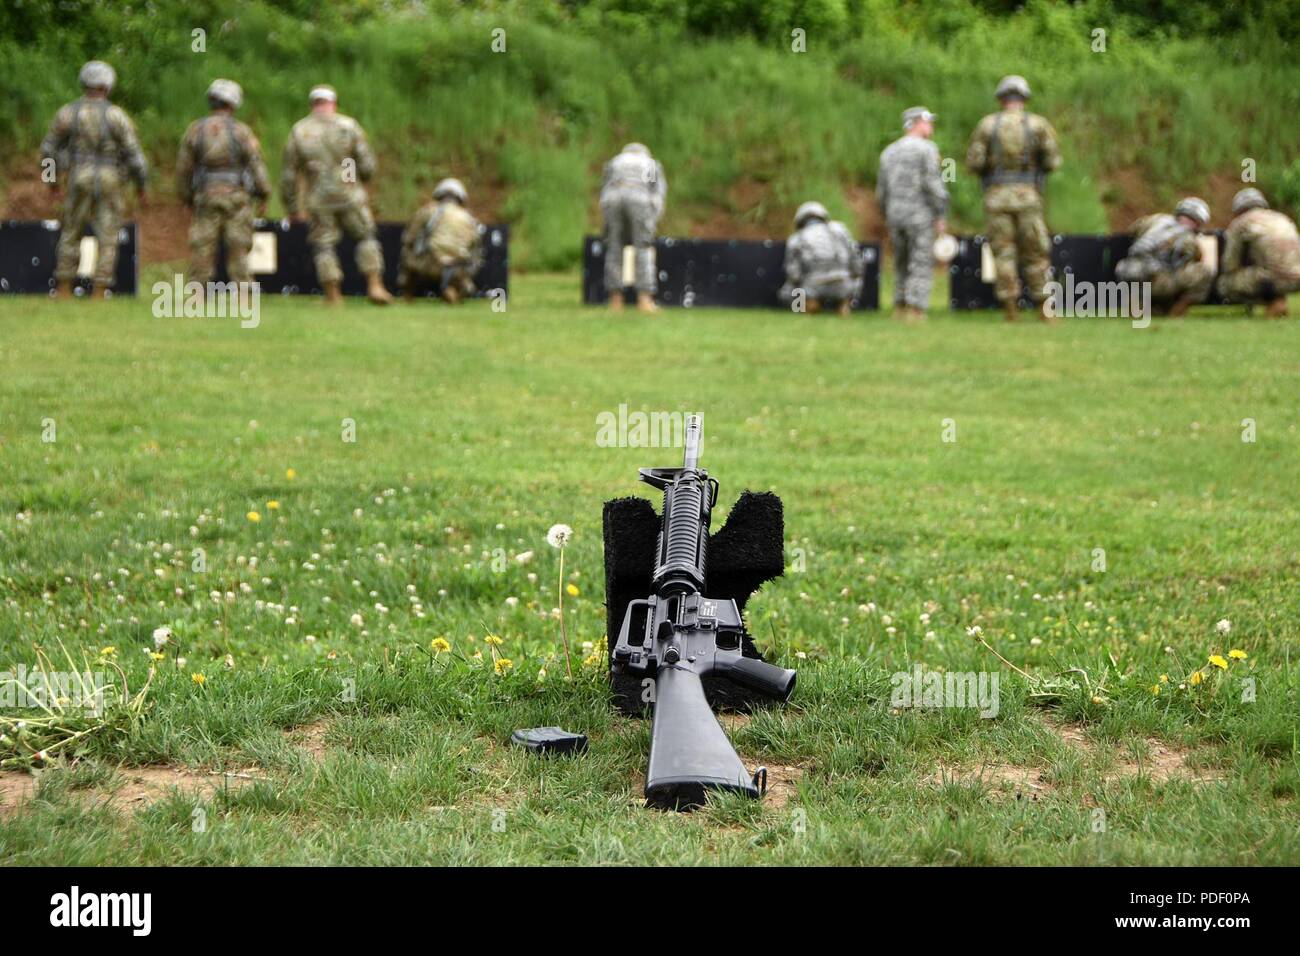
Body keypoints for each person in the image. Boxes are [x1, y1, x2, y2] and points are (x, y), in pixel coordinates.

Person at [39, 60, 148, 299]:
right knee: (108, 234)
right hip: (110, 178)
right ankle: (100, 289)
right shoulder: (116, 116)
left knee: (71, 230)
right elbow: (134, 154)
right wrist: (141, 184)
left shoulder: (68, 113)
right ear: (107, 86)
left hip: (78, 175)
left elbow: (48, 149)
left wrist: (52, 180)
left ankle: (64, 287)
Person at [280, 85, 392, 305]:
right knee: (365, 237)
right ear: (333, 103)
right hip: (350, 194)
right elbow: (366, 164)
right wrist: (352, 176)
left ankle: (333, 295)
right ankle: (375, 285)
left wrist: (292, 207)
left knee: (324, 244)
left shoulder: (300, 131)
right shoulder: (348, 126)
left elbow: (289, 175)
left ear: (313, 105)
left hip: (318, 198)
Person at [965, 75, 1062, 322]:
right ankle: (1044, 307)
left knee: (1003, 252)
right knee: (1036, 252)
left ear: (1001, 99)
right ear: (1024, 98)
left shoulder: (987, 125)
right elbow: (1053, 161)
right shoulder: (1039, 125)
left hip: (996, 198)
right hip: (1028, 196)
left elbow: (974, 163)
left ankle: (1010, 306)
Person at [175, 79, 270, 289]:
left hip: (206, 196)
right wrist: (264, 193)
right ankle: (244, 296)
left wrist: (185, 197)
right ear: (233, 103)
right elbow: (256, 163)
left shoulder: (195, 130)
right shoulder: (241, 131)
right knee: (238, 247)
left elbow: (183, 168)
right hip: (236, 197)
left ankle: (197, 296)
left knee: (202, 247)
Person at [878, 106, 948, 322]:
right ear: (918, 123)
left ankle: (899, 306)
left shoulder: (889, 151)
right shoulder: (927, 149)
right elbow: (933, 185)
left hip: (895, 214)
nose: (931, 127)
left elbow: (881, 190)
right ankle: (916, 309)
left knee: (901, 260)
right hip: (920, 215)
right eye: (928, 122)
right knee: (921, 260)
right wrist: (941, 213)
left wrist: (887, 213)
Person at [1114, 197, 1213, 317]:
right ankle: (1174, 313)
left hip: (1127, 273)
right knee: (1204, 272)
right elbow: (1193, 260)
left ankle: (1141, 304)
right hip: (1156, 281)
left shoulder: (1155, 219)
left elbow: (1132, 230)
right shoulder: (1188, 239)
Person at [600, 143, 666, 313]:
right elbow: (655, 195)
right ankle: (644, 300)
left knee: (614, 248)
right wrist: (651, 222)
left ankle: (615, 301)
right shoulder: (649, 163)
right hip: (639, 197)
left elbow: (605, 188)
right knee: (642, 248)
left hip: (613, 198)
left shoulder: (615, 162)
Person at [1216, 188, 1300, 318]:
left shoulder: (1241, 223)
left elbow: (1230, 264)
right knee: (1271, 272)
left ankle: (1274, 303)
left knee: (1224, 283)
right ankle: (1278, 301)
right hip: (1297, 278)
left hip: (1271, 280)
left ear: (1238, 210)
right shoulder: (1283, 219)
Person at [398, 177, 484, 303]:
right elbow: (475, 248)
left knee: (407, 254)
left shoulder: (428, 212)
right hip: (459, 269)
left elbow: (409, 237)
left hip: (430, 266)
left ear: (439, 195)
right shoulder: (469, 218)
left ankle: (408, 294)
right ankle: (457, 287)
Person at [779, 201, 862, 317]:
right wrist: (855, 279)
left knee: (785, 293)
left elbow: (794, 273)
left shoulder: (797, 238)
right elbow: (856, 259)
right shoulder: (841, 229)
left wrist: (799, 286)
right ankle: (843, 305)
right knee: (847, 286)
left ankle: (810, 304)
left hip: (813, 285)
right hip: (843, 284)